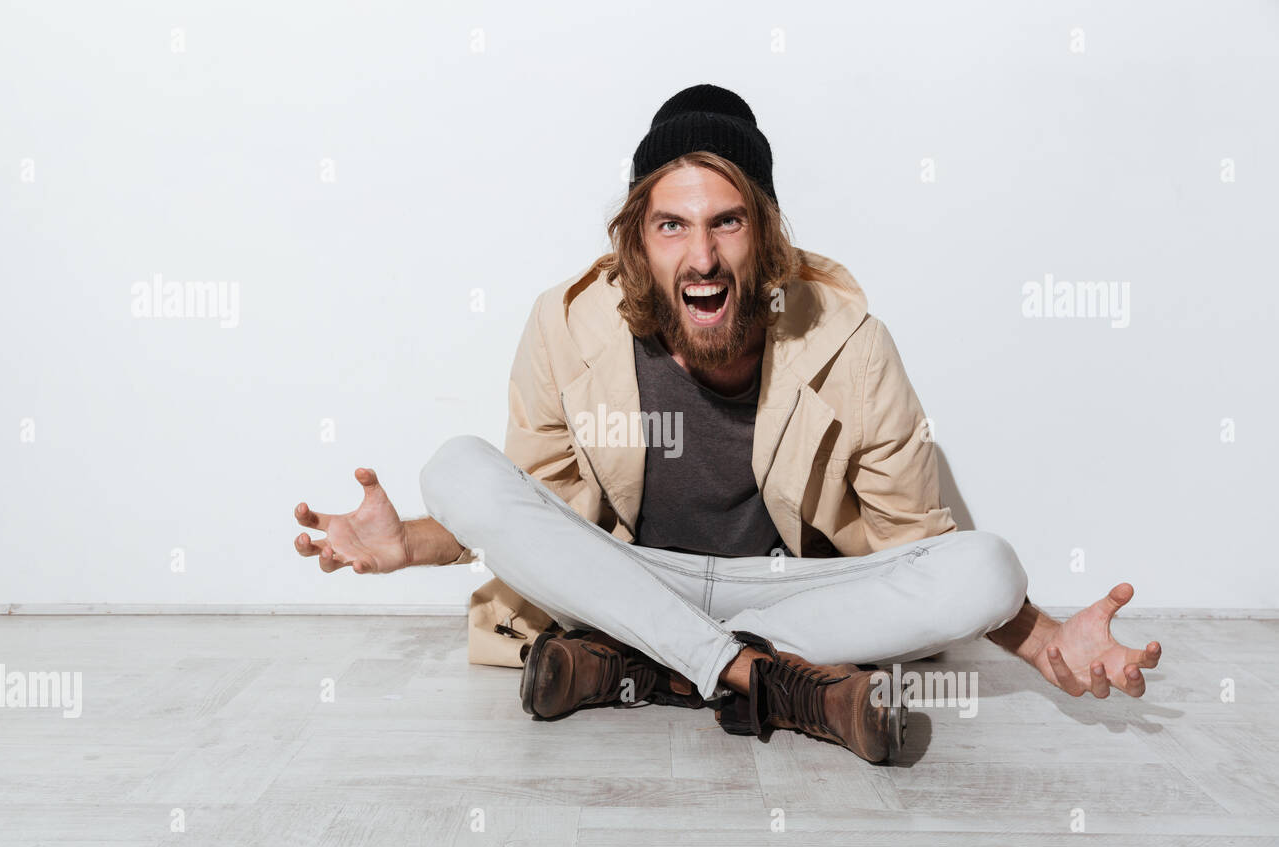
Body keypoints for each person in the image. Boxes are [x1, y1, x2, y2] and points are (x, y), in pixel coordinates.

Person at [293, 84, 1161, 764]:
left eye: (726, 223)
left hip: (793, 597)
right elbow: (537, 514)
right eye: (671, 226)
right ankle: (759, 682)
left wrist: (1044, 636)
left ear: (766, 233)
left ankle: (644, 665)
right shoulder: (566, 328)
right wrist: (413, 541)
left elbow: (918, 547)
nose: (701, 258)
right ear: (637, 237)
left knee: (990, 561)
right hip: (630, 574)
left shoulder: (851, 345)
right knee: (454, 466)